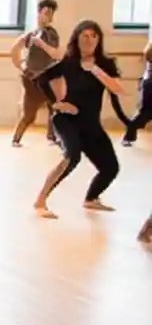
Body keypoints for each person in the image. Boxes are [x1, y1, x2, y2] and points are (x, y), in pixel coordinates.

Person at [31, 21, 125, 219]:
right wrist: (58, 103)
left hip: (91, 124)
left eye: (94, 36)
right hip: (67, 120)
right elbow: (40, 80)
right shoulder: (68, 62)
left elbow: (118, 89)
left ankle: (91, 199)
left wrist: (95, 70)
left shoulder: (106, 64)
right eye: (85, 36)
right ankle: (40, 201)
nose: (89, 40)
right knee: (72, 157)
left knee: (111, 168)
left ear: (99, 40)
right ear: (77, 39)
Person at [9, 0, 63, 146]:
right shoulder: (32, 34)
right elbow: (15, 49)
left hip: (48, 78)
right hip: (33, 80)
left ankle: (52, 136)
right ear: (39, 13)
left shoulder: (51, 34)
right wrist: (21, 66)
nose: (49, 16)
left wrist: (42, 45)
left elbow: (56, 54)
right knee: (29, 115)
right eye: (46, 12)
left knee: (55, 107)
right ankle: (16, 139)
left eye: (51, 13)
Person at [120, 33, 151, 146]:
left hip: (147, 85)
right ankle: (128, 137)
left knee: (145, 114)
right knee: (145, 114)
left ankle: (128, 136)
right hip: (149, 87)